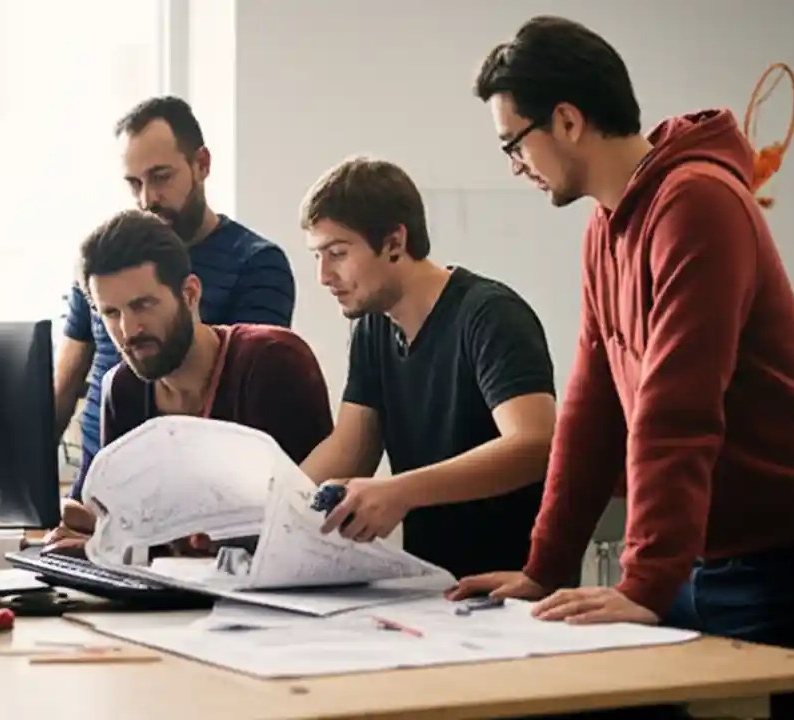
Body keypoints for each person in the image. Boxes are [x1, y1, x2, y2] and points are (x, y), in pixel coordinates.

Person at [453, 15, 794, 719]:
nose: (513, 166)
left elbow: (676, 409)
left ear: (566, 120)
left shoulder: (698, 203)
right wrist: (545, 568)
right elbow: (592, 413)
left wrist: (645, 582)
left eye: (513, 142)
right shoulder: (605, 228)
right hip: (702, 558)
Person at [298, 156, 558, 580]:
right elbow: (351, 448)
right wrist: (263, 510)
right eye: (317, 256)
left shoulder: (490, 315)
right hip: (431, 590)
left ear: (395, 242)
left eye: (338, 253)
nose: (324, 275)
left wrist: (401, 491)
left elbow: (536, 443)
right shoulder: (372, 326)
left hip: (515, 588)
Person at [45, 209, 332, 552]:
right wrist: (101, 540)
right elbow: (133, 532)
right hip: (170, 600)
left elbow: (311, 527)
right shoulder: (122, 390)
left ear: (191, 294)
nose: (128, 330)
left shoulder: (273, 363)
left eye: (144, 305)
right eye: (112, 312)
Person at [54, 95, 296, 492]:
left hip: (184, 504)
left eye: (161, 176)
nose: (148, 198)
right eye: (135, 183)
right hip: (96, 494)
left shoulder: (256, 263)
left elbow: (243, 402)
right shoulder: (105, 262)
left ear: (202, 164)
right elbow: (64, 386)